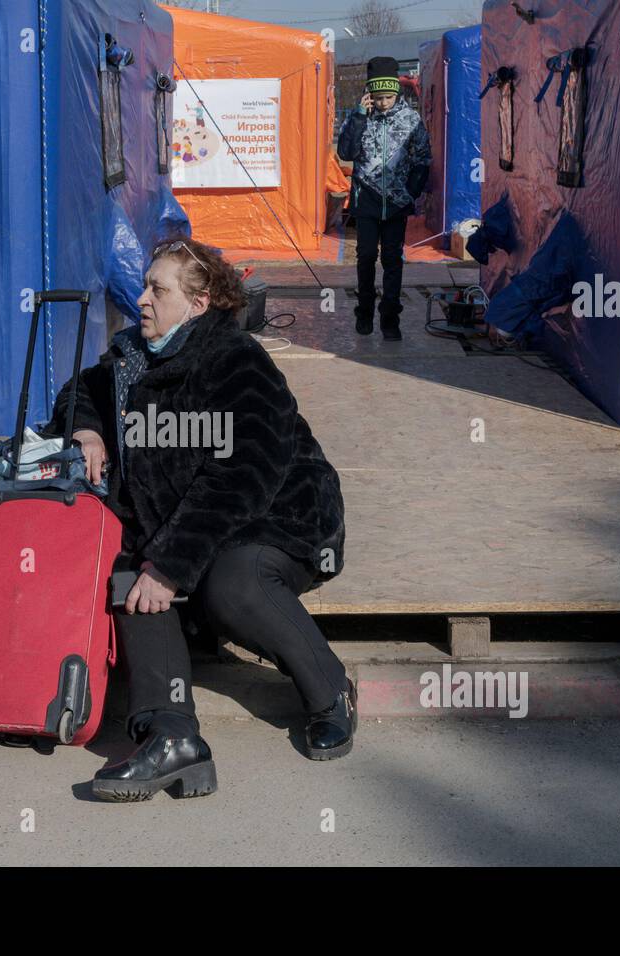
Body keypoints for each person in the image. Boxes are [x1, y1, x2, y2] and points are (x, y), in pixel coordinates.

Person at [45, 237, 354, 802]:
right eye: (144, 286)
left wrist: (170, 565)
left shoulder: (235, 360)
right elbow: (78, 391)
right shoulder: (131, 357)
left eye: (157, 290)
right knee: (129, 578)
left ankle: (330, 692)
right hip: (177, 521)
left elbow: (243, 476)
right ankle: (172, 737)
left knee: (230, 583)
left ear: (198, 303)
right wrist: (86, 428)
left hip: (276, 511)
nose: (141, 299)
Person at [336, 56, 432, 341]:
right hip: (366, 199)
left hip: (397, 203)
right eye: (378, 98)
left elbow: (423, 157)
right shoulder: (360, 117)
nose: (383, 103)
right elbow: (346, 153)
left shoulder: (410, 119)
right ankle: (364, 312)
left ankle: (390, 319)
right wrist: (358, 117)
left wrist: (411, 191)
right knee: (366, 256)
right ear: (369, 95)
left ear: (396, 93)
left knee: (392, 259)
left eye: (388, 97)